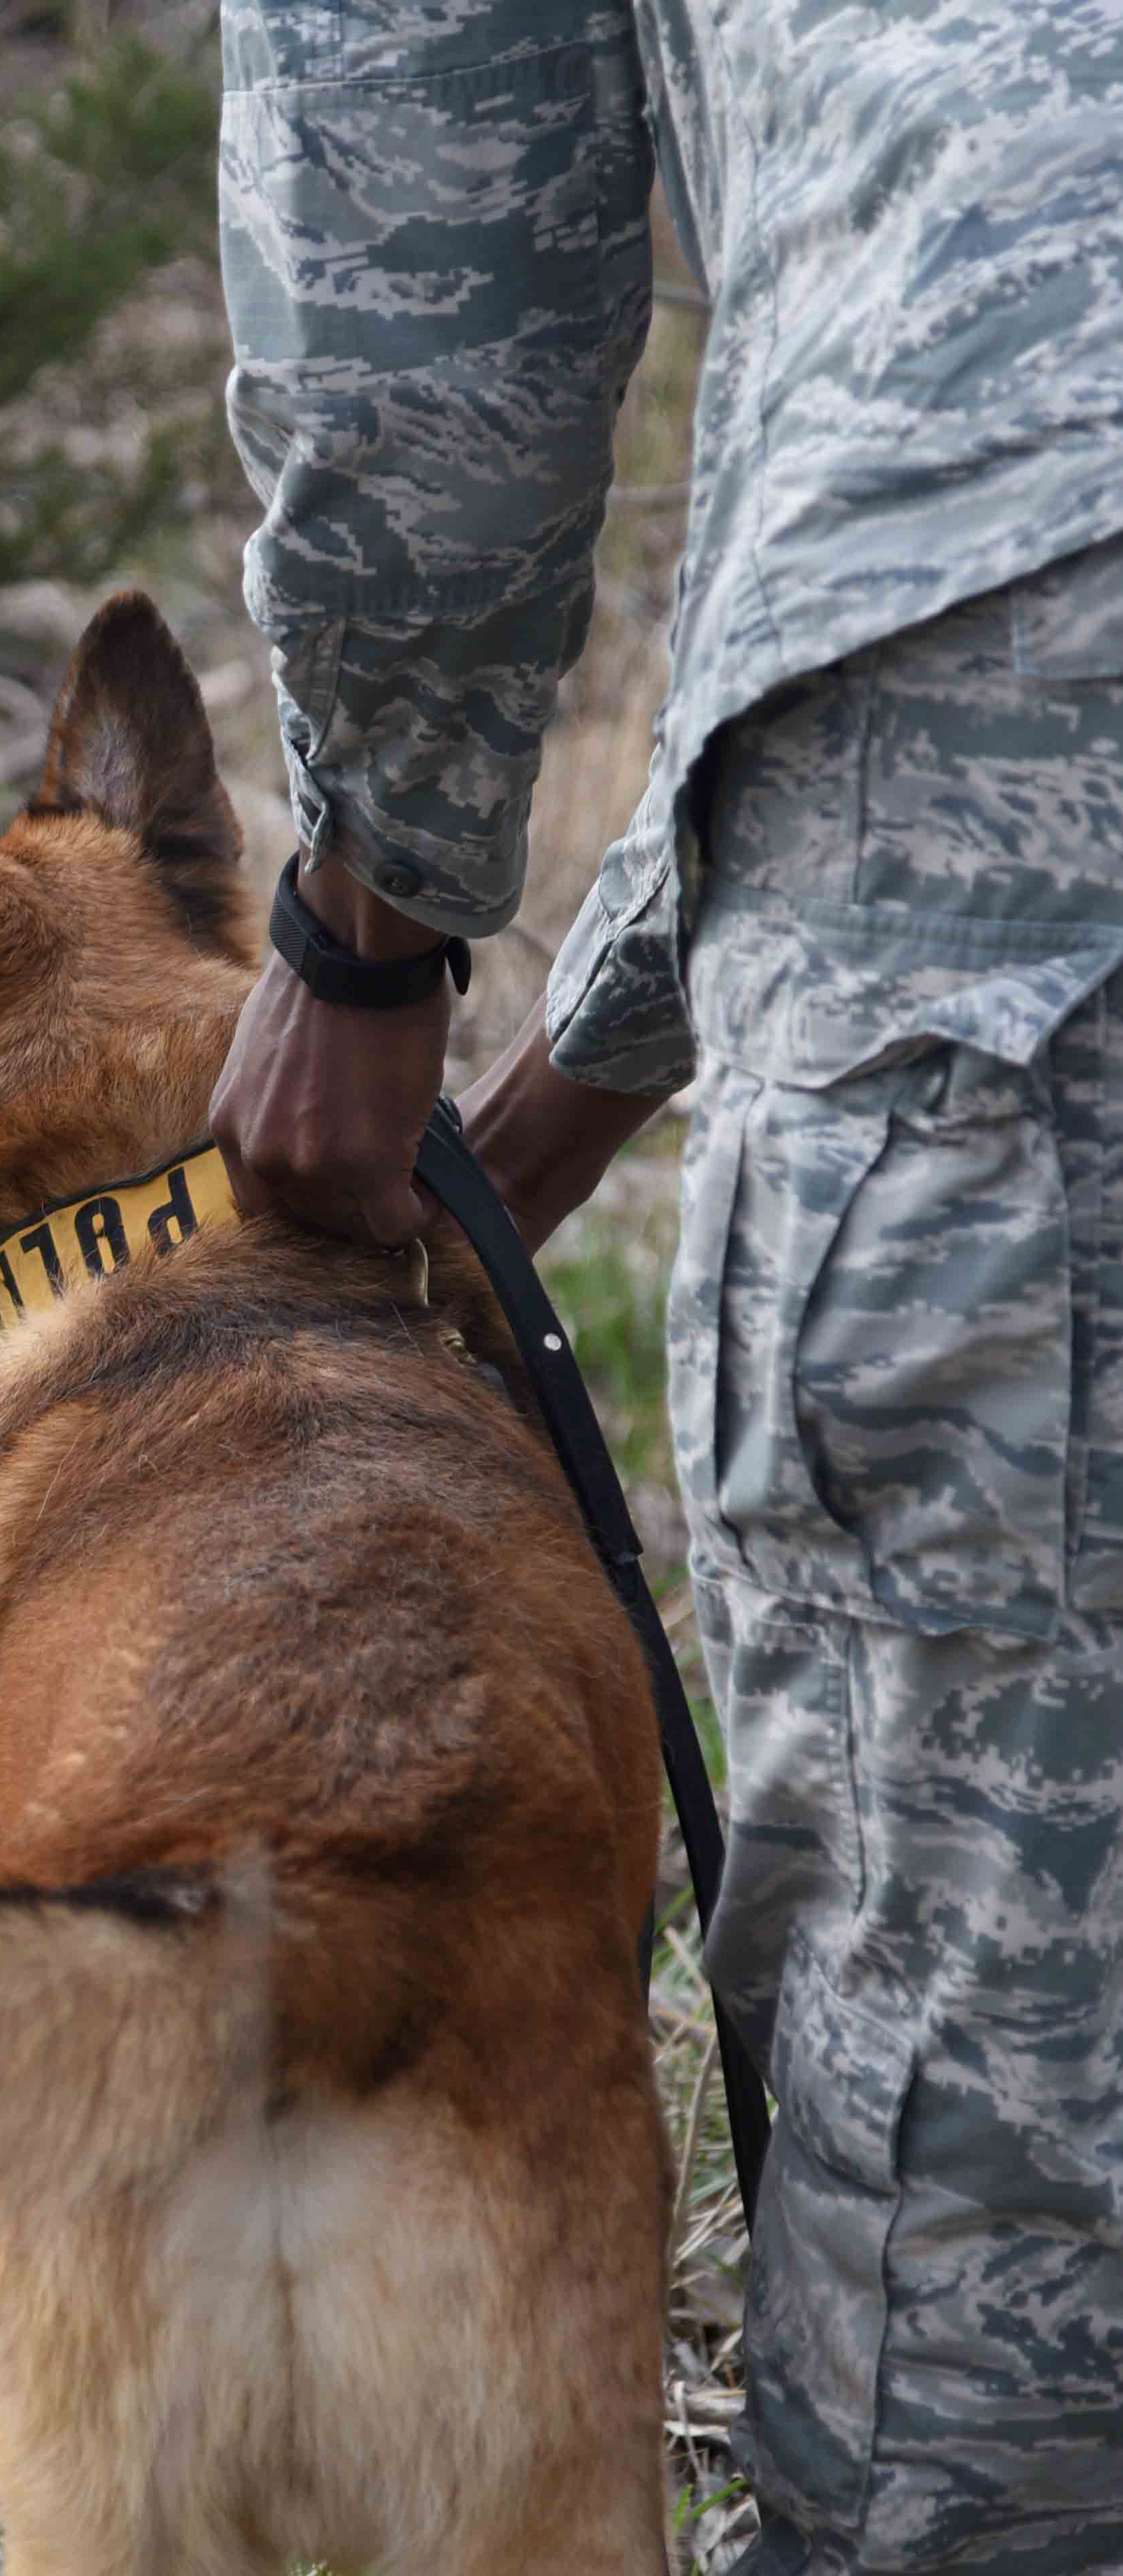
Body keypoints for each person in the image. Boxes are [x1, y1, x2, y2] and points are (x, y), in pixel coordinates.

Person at [206, 3, 1123, 2566]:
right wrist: (583, 1080)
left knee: (993, 2104)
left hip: (1020, 633)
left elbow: (429, 270)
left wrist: (369, 924)